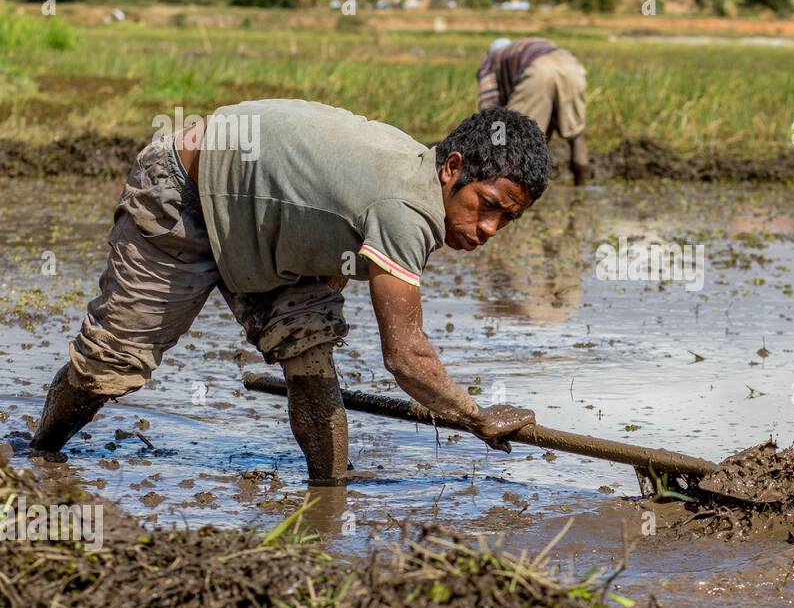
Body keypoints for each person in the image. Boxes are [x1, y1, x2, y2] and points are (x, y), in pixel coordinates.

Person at [27, 100, 549, 485]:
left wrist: (322, 283)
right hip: (185, 190)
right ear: (452, 168)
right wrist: (476, 418)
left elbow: (331, 214)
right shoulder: (408, 209)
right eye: (487, 204)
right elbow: (407, 357)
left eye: (508, 217)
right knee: (111, 362)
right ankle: (37, 459)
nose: (488, 228)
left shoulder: (416, 178)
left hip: (262, 224)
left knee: (309, 353)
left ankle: (328, 492)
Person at [477, 37, 590, 184]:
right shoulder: (527, 46)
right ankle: (582, 186)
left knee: (517, 137)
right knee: (576, 135)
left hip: (539, 69)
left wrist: (495, 147)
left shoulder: (491, 60)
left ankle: (510, 187)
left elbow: (490, 113)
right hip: (571, 67)